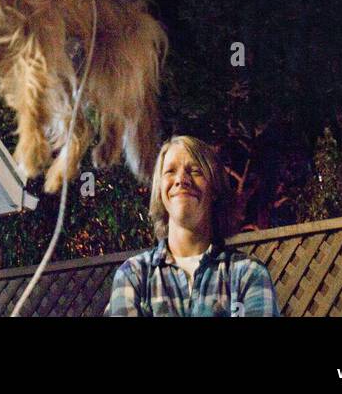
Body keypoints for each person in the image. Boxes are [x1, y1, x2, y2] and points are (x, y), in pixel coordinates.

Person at [106, 134, 279, 317]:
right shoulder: (134, 276)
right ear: (159, 192)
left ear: (214, 189)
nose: (181, 179)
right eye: (170, 171)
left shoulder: (247, 274)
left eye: (195, 171)